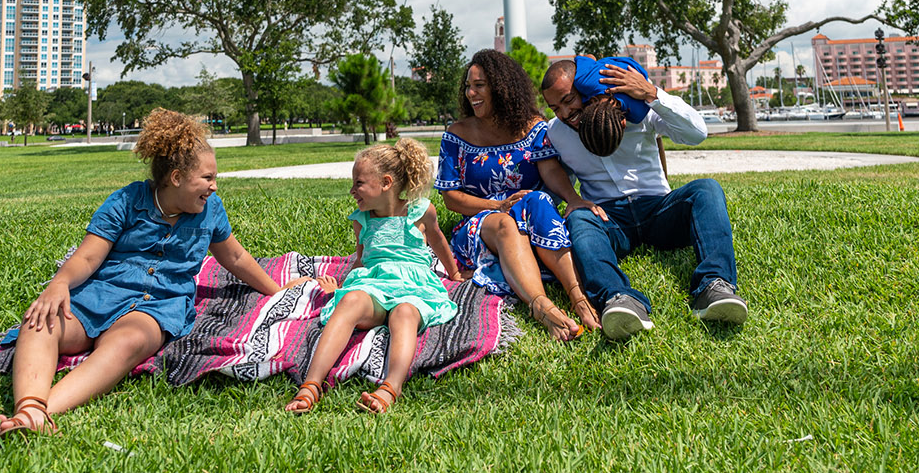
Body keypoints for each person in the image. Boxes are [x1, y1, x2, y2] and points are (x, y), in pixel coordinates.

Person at [0, 108, 329, 434]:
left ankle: (38, 414)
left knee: (127, 342)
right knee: (40, 321)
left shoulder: (210, 210)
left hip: (157, 306)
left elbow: (236, 258)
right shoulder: (126, 200)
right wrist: (58, 285)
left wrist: (277, 290)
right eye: (208, 178)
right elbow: (88, 258)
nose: (214, 187)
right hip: (101, 294)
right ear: (177, 178)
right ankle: (29, 406)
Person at [538, 57, 748, 342]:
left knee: (706, 189)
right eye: (555, 108)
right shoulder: (556, 132)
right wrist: (571, 199)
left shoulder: (638, 109)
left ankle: (714, 287)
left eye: (568, 100)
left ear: (584, 88)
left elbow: (697, 132)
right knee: (578, 216)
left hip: (657, 208)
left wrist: (651, 93)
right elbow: (555, 176)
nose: (565, 113)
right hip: (608, 218)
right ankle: (619, 299)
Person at [287, 138, 461, 415]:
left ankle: (391, 387)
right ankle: (311, 384)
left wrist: (453, 272)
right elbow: (360, 259)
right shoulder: (362, 219)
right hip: (374, 284)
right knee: (351, 301)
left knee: (405, 313)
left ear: (386, 183)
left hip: (414, 286)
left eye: (359, 183)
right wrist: (341, 288)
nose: (352, 190)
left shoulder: (421, 211)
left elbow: (439, 241)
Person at [436, 49, 598, 338]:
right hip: (481, 221)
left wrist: (573, 199)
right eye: (468, 86)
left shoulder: (532, 126)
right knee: (505, 223)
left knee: (538, 198)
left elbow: (550, 172)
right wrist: (497, 205)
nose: (471, 92)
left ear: (500, 87)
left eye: (479, 85)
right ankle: (542, 306)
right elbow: (451, 198)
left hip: (533, 213)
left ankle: (577, 295)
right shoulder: (456, 134)